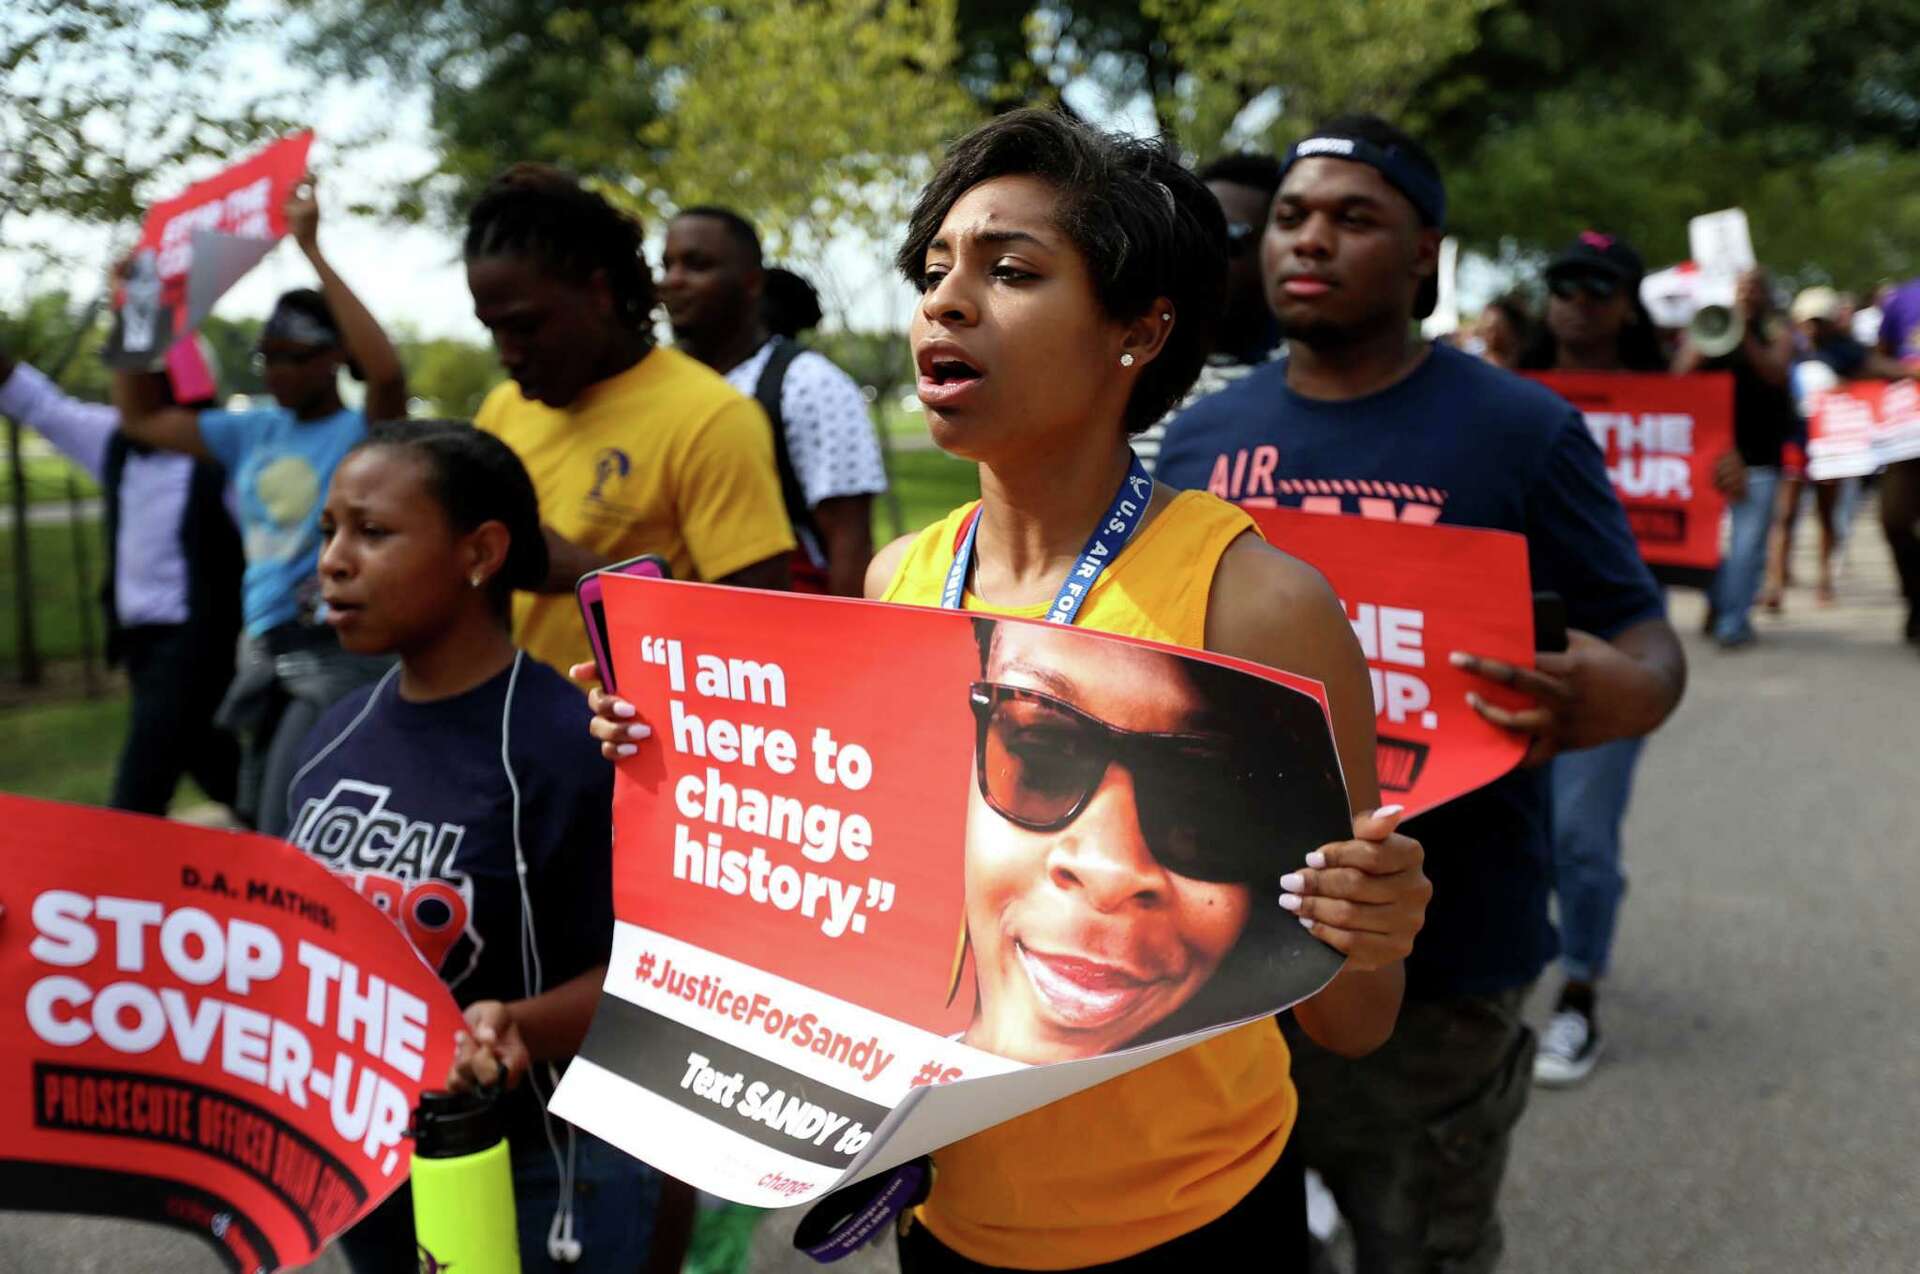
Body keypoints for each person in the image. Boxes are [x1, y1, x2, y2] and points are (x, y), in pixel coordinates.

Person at [587, 108, 1431, 1271]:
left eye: (1011, 270)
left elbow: (1353, 1015)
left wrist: (1371, 925)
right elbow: (849, 896)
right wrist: (686, 766)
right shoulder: (899, 580)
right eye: (935, 270)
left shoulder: (1254, 602)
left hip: (1195, 1218)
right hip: (949, 1217)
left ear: (1139, 330)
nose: (945, 300)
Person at [1157, 118, 1685, 1270]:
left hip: (1450, 953)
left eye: (1355, 218)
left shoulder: (1522, 430)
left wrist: (1620, 690)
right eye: (1293, 216)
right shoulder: (1198, 440)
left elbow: (1649, 642)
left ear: (1425, 257)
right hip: (1232, 952)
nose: (1311, 240)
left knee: (1420, 1244)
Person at [286, 421, 657, 1272]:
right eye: (329, 531)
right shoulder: (330, 736)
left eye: (372, 532)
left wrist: (518, 1025)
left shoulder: (570, 748)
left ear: (480, 552)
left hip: (545, 1176)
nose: (333, 562)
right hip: (369, 1166)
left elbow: (662, 981)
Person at [112, 173, 406, 834]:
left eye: (294, 356)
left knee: (279, 827)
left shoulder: (364, 433)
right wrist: (137, 305)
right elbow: (140, 417)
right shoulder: (251, 431)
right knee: (268, 816)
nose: (276, 371)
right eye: (267, 356)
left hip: (336, 648)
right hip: (265, 646)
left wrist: (312, 248)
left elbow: (387, 373)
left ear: (333, 358)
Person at [958, 617, 1349, 1065]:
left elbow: (1359, 1026)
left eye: (1202, 801)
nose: (1110, 872)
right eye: (1044, 757)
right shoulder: (911, 587)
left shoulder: (1278, 609)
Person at [464, 165, 796, 676]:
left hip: (641, 723)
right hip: (513, 714)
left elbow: (761, 630)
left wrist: (588, 575)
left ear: (599, 293)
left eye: (526, 326)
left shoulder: (712, 417)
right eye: (493, 330)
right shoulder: (503, 407)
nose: (507, 353)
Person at [0, 338, 243, 814]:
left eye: (137, 375)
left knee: (139, 791)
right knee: (214, 763)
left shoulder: (223, 452)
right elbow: (41, 406)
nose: (123, 386)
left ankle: (115, 860)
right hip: (138, 645)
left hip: (196, 643)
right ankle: (284, 832)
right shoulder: (113, 439)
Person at [660, 207, 888, 595]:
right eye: (667, 265)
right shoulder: (658, 384)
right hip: (666, 622)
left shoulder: (809, 383)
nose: (673, 280)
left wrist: (848, 633)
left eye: (697, 265)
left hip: (780, 620)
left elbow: (848, 543)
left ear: (751, 282)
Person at [1133, 151, 1285, 472]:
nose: (1205, 256)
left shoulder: (1304, 389)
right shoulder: (1130, 371)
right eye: (1192, 235)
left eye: (1230, 238)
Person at [1673, 268, 1798, 648]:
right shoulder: (1709, 323)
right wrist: (1706, 338)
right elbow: (1677, 377)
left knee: (1747, 546)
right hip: (1709, 457)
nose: (1747, 294)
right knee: (1700, 546)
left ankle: (1732, 622)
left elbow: (1776, 373)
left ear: (1766, 294)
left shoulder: (1776, 332)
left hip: (1759, 457)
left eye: (1755, 288)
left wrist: (1743, 335)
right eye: (1742, 287)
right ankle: (1725, 602)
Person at [1466, 292, 1531, 371]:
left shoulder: (1534, 369)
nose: (1489, 336)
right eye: (1484, 329)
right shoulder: (1474, 367)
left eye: (1494, 329)